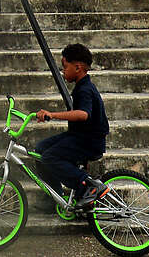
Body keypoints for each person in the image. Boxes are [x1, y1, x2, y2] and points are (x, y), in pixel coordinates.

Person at [33, 43, 109, 206]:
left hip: (89, 141)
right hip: (79, 136)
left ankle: (88, 186)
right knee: (40, 150)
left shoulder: (85, 89)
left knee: (49, 157)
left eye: (65, 67)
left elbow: (83, 114)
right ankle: (56, 196)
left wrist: (52, 114)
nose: (63, 71)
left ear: (77, 67)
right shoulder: (82, 86)